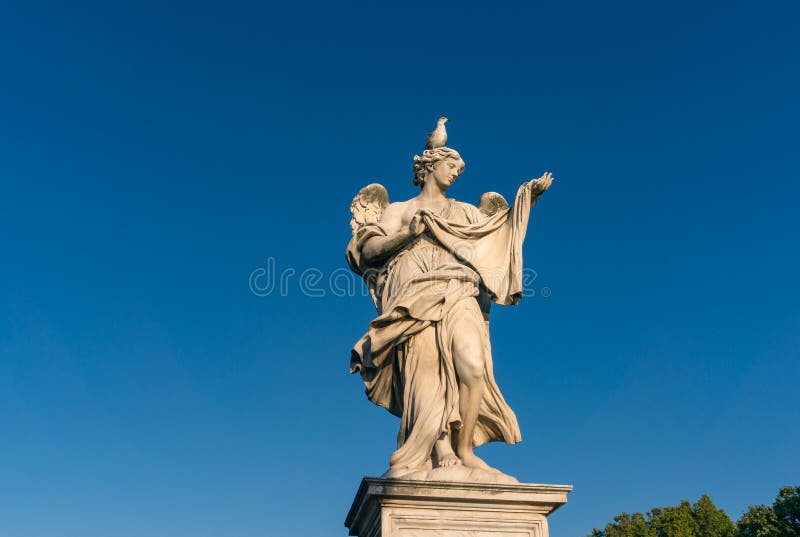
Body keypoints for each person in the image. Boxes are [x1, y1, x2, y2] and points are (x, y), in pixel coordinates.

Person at [347, 146, 552, 477]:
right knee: (428, 377)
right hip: (414, 297)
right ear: (430, 166)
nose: (457, 172)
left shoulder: (467, 212)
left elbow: (499, 235)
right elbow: (368, 250)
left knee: (472, 366)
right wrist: (408, 234)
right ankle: (440, 447)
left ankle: (464, 448)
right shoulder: (400, 210)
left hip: (459, 290)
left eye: (460, 168)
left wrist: (526, 199)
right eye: (451, 164)